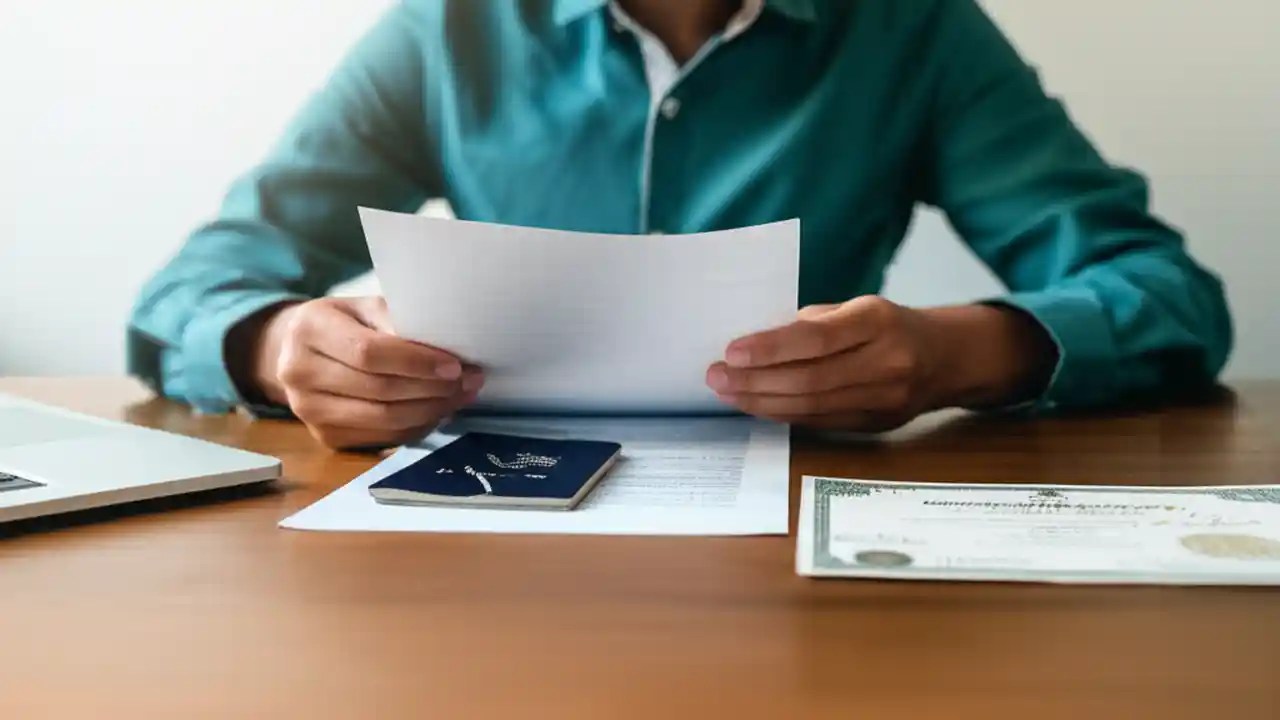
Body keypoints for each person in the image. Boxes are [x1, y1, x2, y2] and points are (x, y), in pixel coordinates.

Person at [128, 0, 1232, 450]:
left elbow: (1165, 295)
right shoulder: (447, 29)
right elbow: (192, 294)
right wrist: (280, 348)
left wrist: (951, 354)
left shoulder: (912, 29)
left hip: (801, 535)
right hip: (482, 537)